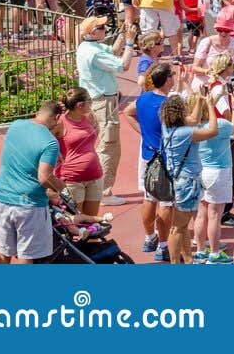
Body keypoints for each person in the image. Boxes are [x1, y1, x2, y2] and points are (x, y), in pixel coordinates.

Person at [0, 100, 66, 263]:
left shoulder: (16, 125)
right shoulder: (50, 143)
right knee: (27, 255)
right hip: (29, 206)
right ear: (56, 118)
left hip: (2, 198)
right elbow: (44, 178)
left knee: (4, 250)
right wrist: (61, 185)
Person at [73, 14, 136, 204]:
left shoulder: (87, 47)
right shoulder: (94, 52)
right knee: (109, 146)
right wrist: (131, 43)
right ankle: (103, 192)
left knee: (97, 144)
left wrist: (123, 35)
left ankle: (93, 187)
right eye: (101, 28)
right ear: (92, 32)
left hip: (93, 100)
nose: (105, 30)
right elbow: (123, 65)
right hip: (103, 102)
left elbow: (114, 51)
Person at [156, 93, 219, 264]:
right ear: (180, 112)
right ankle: (176, 263)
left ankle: (188, 260)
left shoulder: (167, 127)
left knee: (182, 226)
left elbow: (193, 120)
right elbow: (213, 130)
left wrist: (199, 102)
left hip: (178, 180)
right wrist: (211, 106)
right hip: (187, 182)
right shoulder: (186, 133)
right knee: (178, 227)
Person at [123, 62, 174, 259]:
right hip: (165, 159)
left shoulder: (143, 98)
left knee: (148, 197)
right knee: (166, 202)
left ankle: (149, 237)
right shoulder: (168, 104)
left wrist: (143, 133)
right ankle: (162, 245)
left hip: (147, 155)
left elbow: (128, 112)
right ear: (167, 79)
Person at [188, 90, 234, 263]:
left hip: (199, 171)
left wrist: (210, 100)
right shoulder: (221, 125)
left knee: (201, 213)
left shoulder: (191, 128)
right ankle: (215, 253)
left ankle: (201, 250)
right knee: (215, 215)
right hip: (218, 172)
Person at [55, 88, 105, 217]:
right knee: (76, 223)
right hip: (72, 179)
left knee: (92, 224)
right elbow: (44, 138)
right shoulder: (60, 122)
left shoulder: (89, 117)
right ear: (79, 105)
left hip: (95, 176)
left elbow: (94, 133)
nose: (91, 103)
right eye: (89, 100)